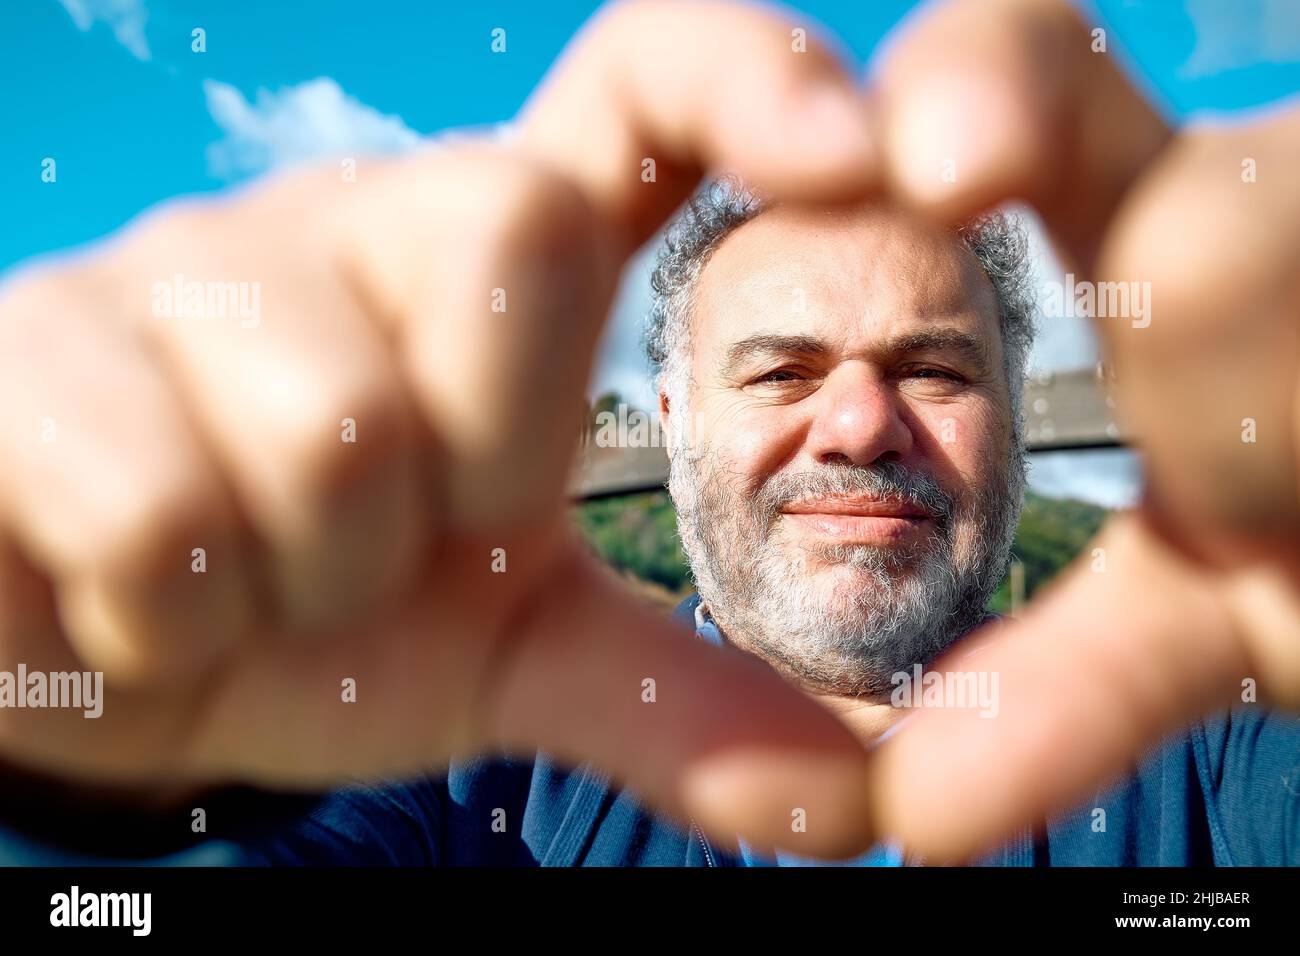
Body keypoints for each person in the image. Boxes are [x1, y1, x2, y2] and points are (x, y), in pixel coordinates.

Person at [0, 0, 1297, 865]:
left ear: (1016, 427)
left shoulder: (1213, 749)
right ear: (671, 422)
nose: (858, 421)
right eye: (782, 372)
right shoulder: (467, 774)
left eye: (935, 370)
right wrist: (90, 771)